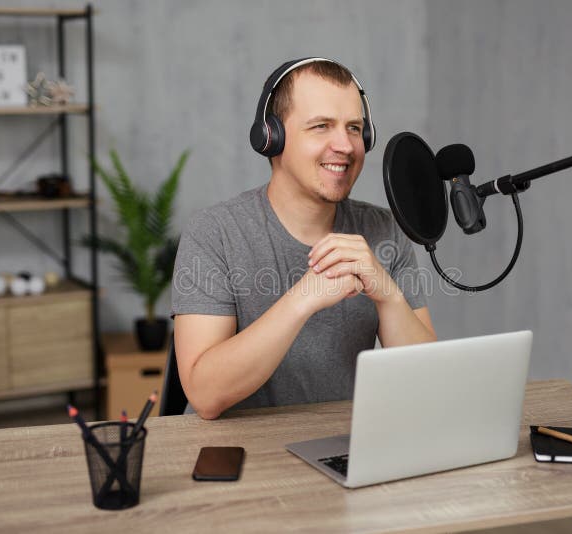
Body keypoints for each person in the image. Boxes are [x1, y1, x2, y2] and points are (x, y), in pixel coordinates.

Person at [171, 58, 436, 420]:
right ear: (271, 137)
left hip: (340, 443)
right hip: (237, 449)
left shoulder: (383, 231)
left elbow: (427, 382)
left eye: (355, 128)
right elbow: (205, 395)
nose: (345, 145)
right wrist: (303, 298)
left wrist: (387, 294)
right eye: (321, 126)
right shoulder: (214, 232)